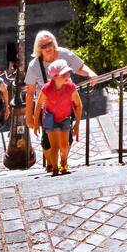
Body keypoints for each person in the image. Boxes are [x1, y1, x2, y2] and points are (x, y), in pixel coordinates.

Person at [24, 30, 97, 165]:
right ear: (38, 48)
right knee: (47, 141)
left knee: (67, 138)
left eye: (49, 44)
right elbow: (30, 92)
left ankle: (63, 162)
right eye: (43, 46)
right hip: (47, 110)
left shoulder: (64, 54)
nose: (47, 48)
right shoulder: (34, 66)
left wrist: (90, 73)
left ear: (54, 43)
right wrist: (29, 116)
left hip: (65, 106)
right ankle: (51, 165)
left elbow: (79, 67)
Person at [33, 60, 82, 176]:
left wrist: (77, 124)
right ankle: (55, 168)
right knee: (54, 146)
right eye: (64, 74)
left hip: (65, 118)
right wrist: (35, 123)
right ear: (54, 77)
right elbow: (39, 104)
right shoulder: (46, 88)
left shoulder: (70, 87)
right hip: (50, 118)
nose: (68, 75)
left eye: (68, 73)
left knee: (64, 146)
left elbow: (79, 104)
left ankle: (63, 162)